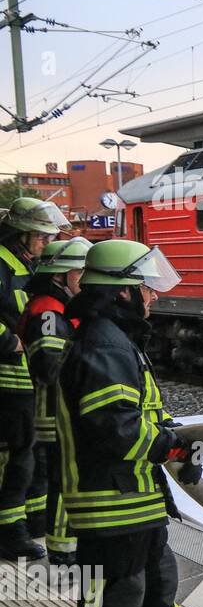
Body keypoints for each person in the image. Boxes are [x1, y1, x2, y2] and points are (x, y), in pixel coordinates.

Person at [58, 239, 203, 607]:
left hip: (132, 495)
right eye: (144, 289)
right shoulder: (105, 343)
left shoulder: (112, 336)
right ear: (121, 292)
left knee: (155, 579)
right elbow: (114, 428)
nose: (153, 298)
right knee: (114, 591)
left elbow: (137, 415)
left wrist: (175, 436)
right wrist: (170, 446)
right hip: (108, 499)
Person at [0, 197, 71, 560]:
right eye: (40, 236)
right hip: (6, 379)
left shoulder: (25, 265)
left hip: (23, 381)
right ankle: (9, 533)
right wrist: (6, 340)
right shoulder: (2, 264)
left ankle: (31, 520)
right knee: (15, 457)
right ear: (22, 233)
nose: (46, 242)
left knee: (29, 456)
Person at [18, 237, 92, 565]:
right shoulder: (48, 311)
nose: (86, 280)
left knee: (52, 482)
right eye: (80, 273)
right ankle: (64, 553)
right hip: (53, 417)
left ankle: (53, 537)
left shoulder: (55, 306)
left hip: (53, 414)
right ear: (60, 276)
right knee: (63, 485)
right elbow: (48, 365)